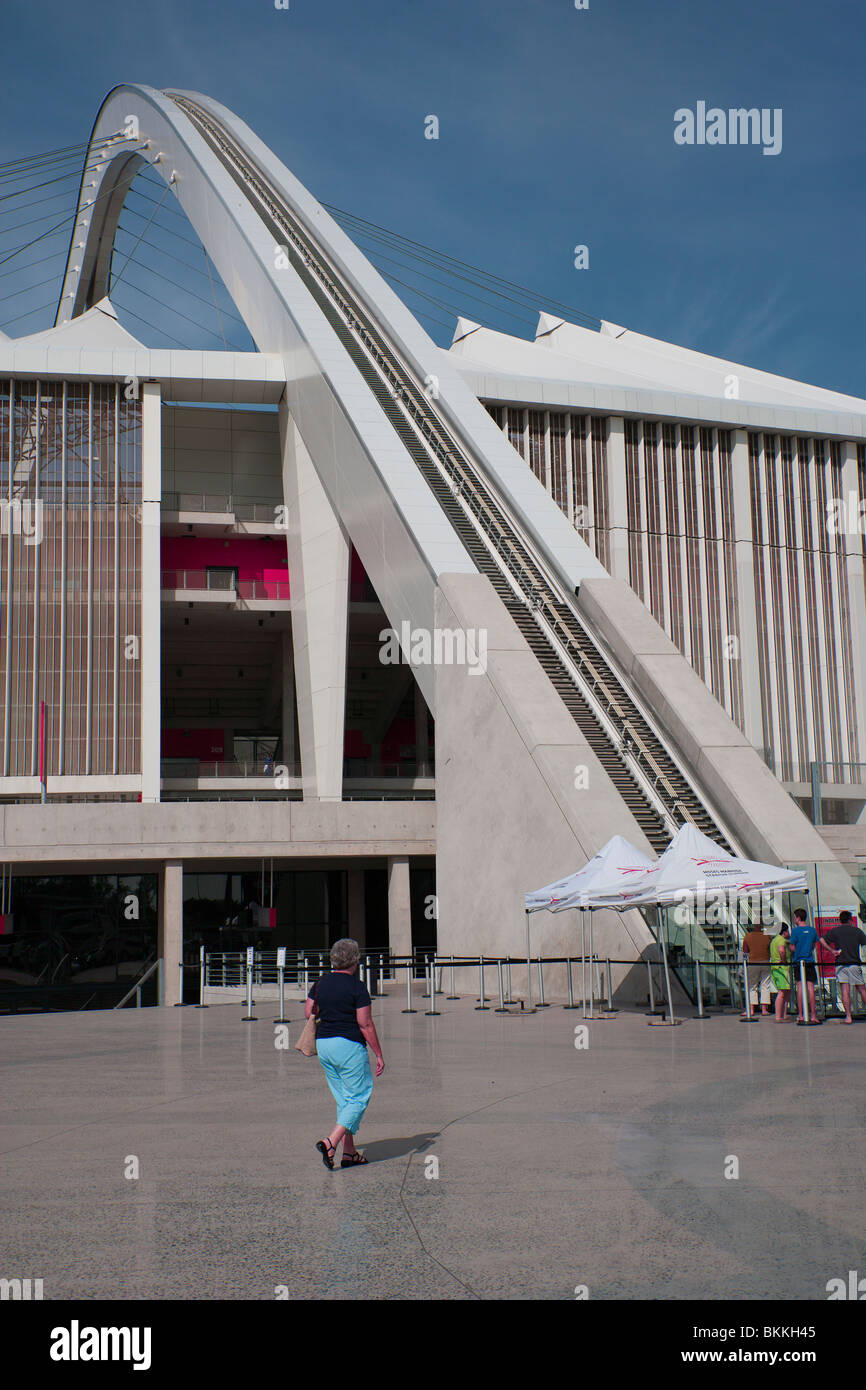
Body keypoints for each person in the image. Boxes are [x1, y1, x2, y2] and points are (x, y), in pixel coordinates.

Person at [305, 937, 385, 1170]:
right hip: (348, 1045)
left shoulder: (321, 983)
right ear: (355, 961)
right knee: (359, 1096)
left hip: (324, 1045)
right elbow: (365, 1024)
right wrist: (378, 1053)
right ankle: (331, 1143)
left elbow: (308, 1010)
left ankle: (349, 1153)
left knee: (344, 1099)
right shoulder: (357, 986)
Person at [821, 910, 866, 1025]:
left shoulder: (835, 931)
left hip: (841, 963)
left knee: (844, 990)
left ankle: (848, 1016)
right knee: (861, 989)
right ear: (850, 920)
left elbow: (821, 939)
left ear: (840, 920)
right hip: (854, 962)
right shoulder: (857, 931)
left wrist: (832, 951)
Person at [789, 907, 819, 1022]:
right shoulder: (812, 930)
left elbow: (792, 947)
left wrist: (795, 950)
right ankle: (813, 1015)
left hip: (798, 961)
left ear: (798, 917)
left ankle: (801, 1014)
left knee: (800, 988)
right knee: (811, 988)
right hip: (809, 961)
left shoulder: (795, 931)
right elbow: (813, 945)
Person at [741, 918, 772, 1018]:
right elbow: (770, 949)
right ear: (762, 925)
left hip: (753, 962)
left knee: (752, 985)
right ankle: (764, 1009)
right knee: (765, 985)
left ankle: (751, 1009)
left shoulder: (748, 936)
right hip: (765, 962)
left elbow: (745, 951)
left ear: (754, 925)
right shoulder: (767, 936)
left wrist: (744, 963)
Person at [770, 923, 792, 1022]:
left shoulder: (774, 940)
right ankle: (779, 1015)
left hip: (775, 967)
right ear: (785, 931)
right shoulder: (781, 940)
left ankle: (783, 1014)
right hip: (781, 968)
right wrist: (784, 960)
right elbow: (782, 951)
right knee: (782, 992)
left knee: (786, 991)